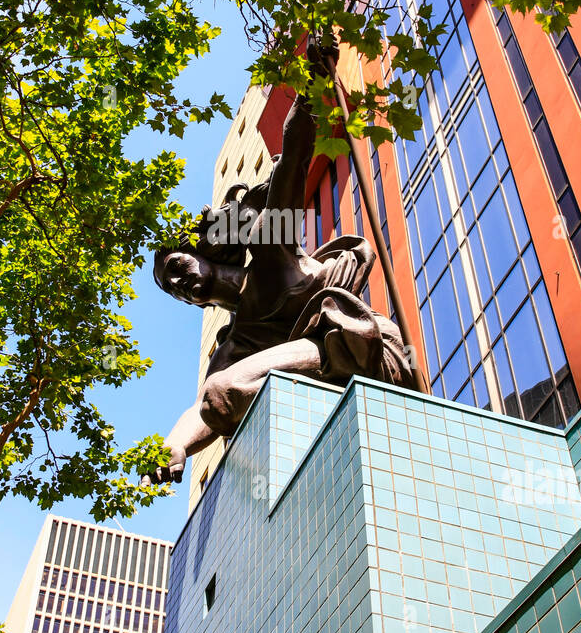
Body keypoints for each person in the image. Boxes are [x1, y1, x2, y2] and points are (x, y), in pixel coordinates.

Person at [145, 87, 416, 485]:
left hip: (365, 351)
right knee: (220, 398)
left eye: (176, 265)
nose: (177, 281)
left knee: (224, 389)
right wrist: (174, 445)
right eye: (172, 289)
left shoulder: (269, 250)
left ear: (202, 252)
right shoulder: (235, 344)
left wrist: (310, 88)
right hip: (329, 383)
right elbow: (203, 406)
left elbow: (293, 158)